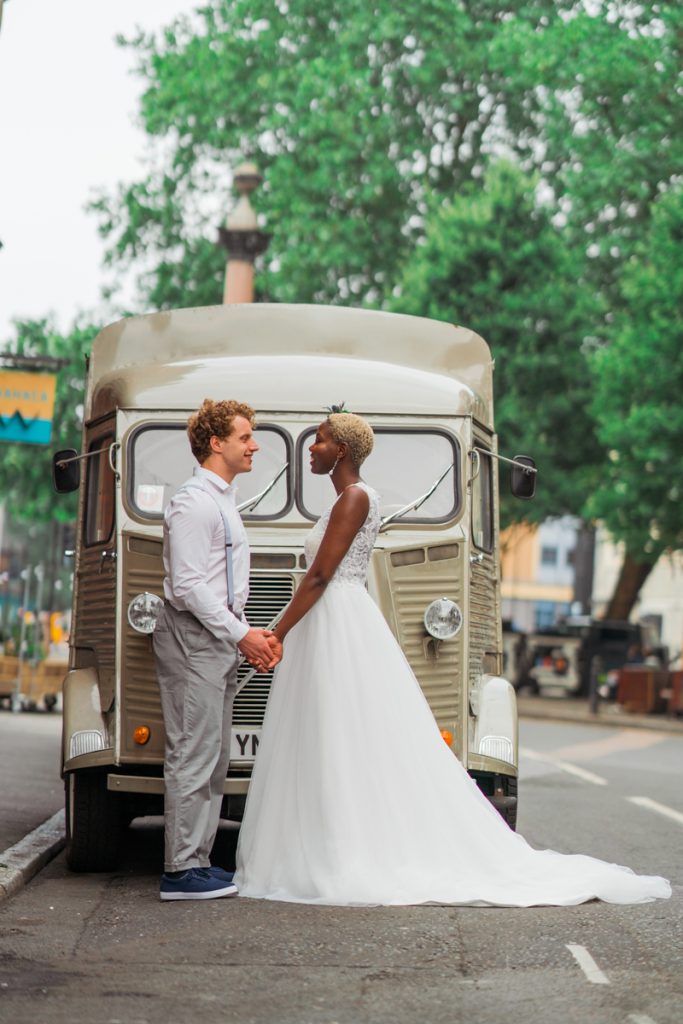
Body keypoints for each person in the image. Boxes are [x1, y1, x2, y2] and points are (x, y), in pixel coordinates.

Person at [233, 409, 671, 907]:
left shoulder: (354, 497)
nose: (311, 448)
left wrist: (275, 633)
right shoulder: (350, 498)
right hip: (335, 619)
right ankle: (324, 843)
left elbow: (319, 576)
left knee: (338, 731)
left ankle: (342, 852)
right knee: (329, 734)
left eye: (320, 440)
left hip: (336, 619)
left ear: (344, 451)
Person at [153, 399, 281, 902]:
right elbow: (188, 586)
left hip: (215, 636)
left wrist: (243, 632)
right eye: (246, 437)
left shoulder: (222, 498)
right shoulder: (193, 501)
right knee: (192, 751)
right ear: (216, 443)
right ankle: (180, 870)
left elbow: (221, 584)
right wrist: (240, 633)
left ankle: (199, 862)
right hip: (192, 636)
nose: (255, 445)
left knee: (214, 754)